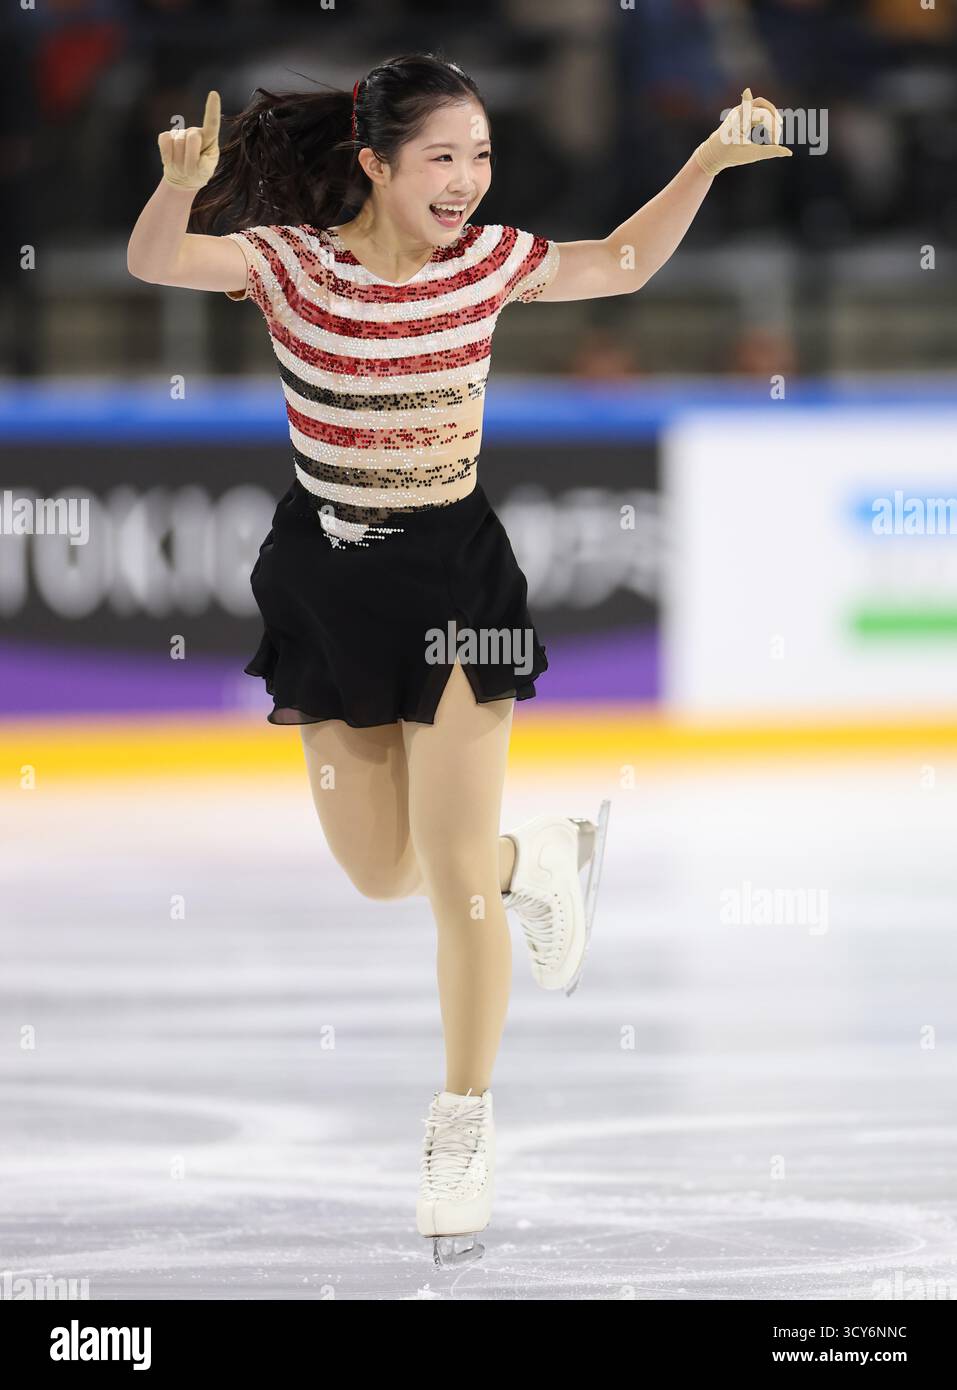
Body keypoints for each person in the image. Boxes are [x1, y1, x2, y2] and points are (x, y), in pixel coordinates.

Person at [127, 52, 789, 1267]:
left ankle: (463, 1120)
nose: (469, 183)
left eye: (482, 157)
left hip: (455, 579)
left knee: (452, 890)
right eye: (444, 158)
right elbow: (160, 261)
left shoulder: (489, 264)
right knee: (388, 873)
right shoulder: (293, 262)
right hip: (326, 581)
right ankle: (542, 857)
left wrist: (705, 160)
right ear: (376, 164)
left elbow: (620, 263)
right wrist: (179, 188)